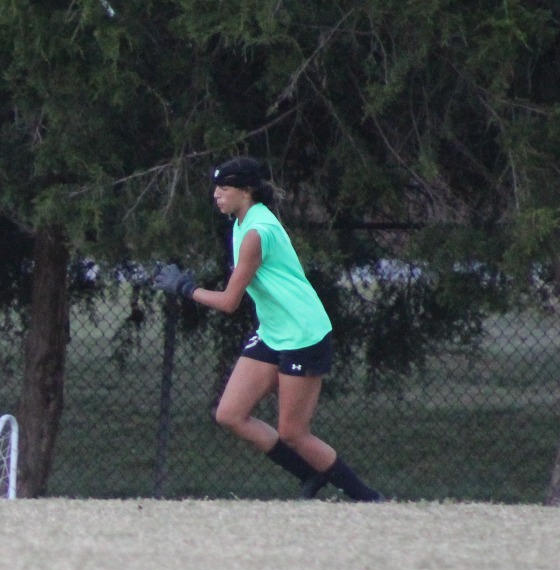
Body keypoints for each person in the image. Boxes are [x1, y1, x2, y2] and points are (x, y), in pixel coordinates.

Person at [149, 156, 384, 501]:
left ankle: (368, 499)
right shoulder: (241, 222)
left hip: (302, 333)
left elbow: (230, 302)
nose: (216, 194)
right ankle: (309, 477)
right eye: (216, 187)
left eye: (224, 188)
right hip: (275, 330)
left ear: (246, 191)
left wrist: (186, 289)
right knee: (230, 413)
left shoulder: (256, 233)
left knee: (293, 433)